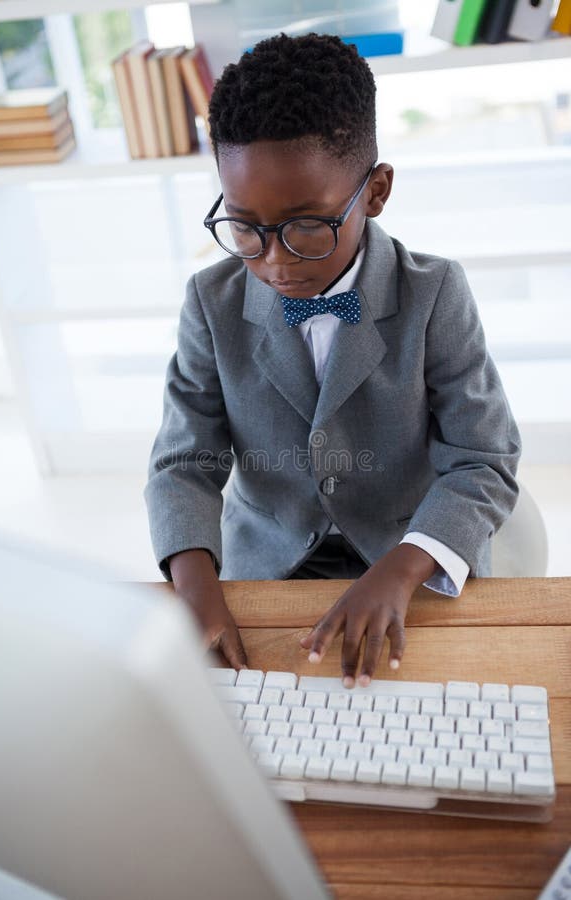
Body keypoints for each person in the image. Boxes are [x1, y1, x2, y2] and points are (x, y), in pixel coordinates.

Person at [145, 33, 521, 687]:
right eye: (244, 228)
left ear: (375, 193)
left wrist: (404, 568)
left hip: (408, 560)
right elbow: (184, 464)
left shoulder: (434, 294)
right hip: (266, 566)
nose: (275, 261)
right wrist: (196, 590)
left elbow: (483, 461)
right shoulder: (210, 302)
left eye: (307, 226)